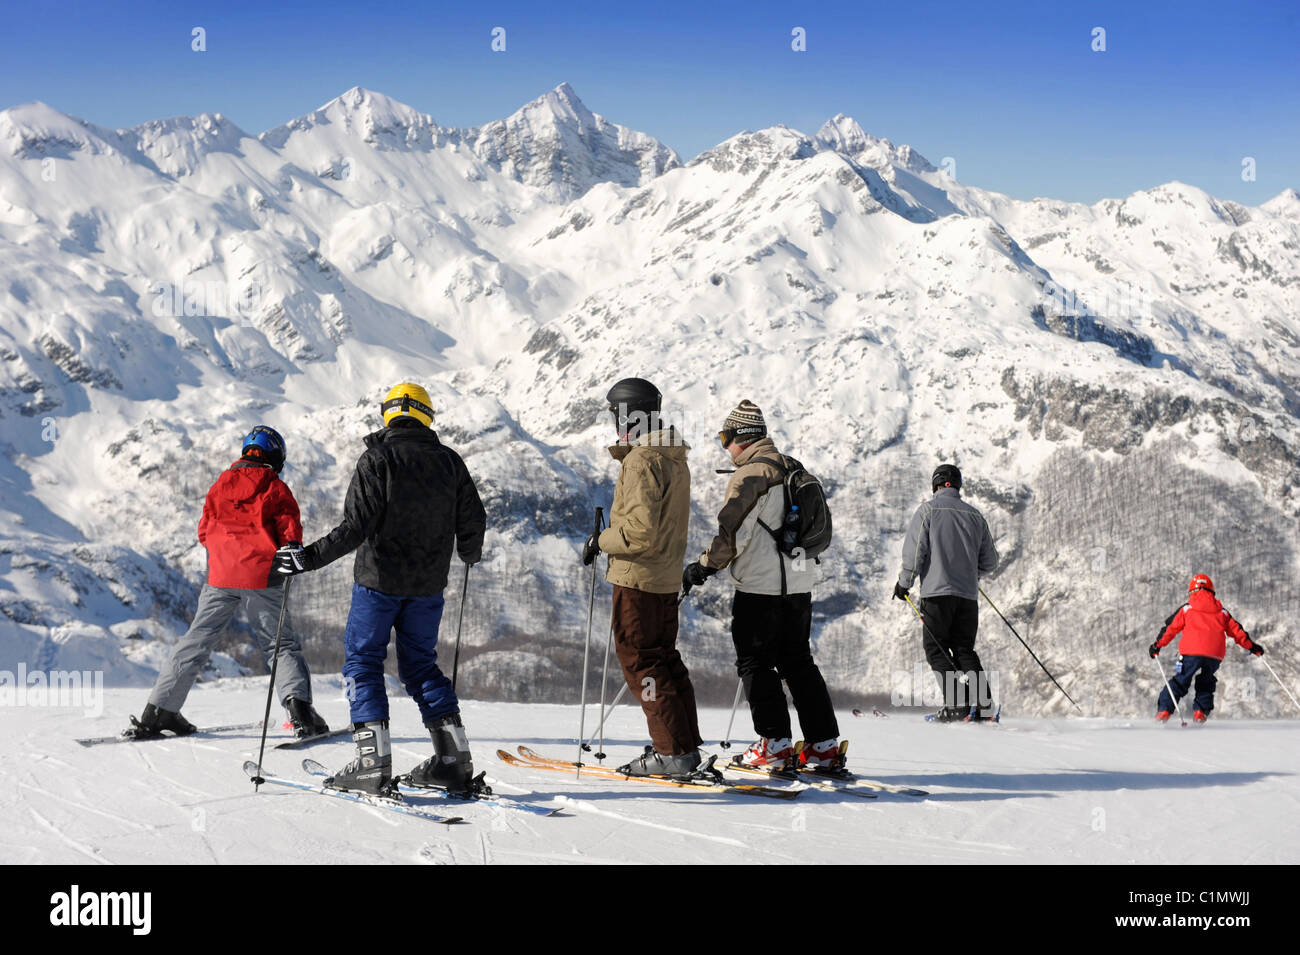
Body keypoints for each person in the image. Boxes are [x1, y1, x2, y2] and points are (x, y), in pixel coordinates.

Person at [274, 383, 486, 794]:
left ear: (388, 414)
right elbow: (473, 520)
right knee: (422, 667)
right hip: (427, 586)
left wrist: (306, 558)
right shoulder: (450, 463)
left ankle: (372, 765)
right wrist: (469, 553)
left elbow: (355, 528)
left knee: (363, 662)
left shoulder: (378, 459)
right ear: (427, 415)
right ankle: (453, 760)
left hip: (378, 583)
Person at [129, 426, 328, 739]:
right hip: (262, 577)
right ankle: (300, 711)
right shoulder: (275, 487)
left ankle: (158, 711)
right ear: (276, 456)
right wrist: (287, 550)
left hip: (220, 577)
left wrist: (225, 556)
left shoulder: (219, 484)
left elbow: (204, 532)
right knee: (280, 644)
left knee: (196, 640)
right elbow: (290, 532)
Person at [681, 400, 841, 770]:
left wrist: (703, 566)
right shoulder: (792, 468)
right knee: (799, 663)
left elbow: (732, 533)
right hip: (800, 585)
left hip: (760, 588)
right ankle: (823, 746)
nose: (725, 446)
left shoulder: (751, 475)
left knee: (755, 663)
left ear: (741, 437)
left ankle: (775, 745)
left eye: (725, 437)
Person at [582, 377, 701, 776]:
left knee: (642, 662)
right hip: (664, 578)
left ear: (625, 414)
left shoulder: (642, 460)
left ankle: (672, 753)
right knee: (665, 660)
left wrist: (601, 540)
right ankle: (683, 746)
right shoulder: (672, 457)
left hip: (638, 579)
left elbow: (637, 533)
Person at [894, 464, 998, 722]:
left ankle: (958, 707)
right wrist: (969, 573)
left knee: (937, 649)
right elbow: (991, 562)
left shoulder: (928, 511)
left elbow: (915, 552)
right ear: (958, 485)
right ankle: (984, 708)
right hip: (967, 596)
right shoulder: (976, 516)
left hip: (937, 594)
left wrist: (904, 583)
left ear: (935, 485)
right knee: (964, 649)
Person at [1149, 574, 1264, 723]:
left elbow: (1170, 629)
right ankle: (1200, 712)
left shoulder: (1187, 609)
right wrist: (1253, 647)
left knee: (1180, 680)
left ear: (1192, 591)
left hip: (1191, 652)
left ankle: (1164, 710)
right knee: (1206, 682)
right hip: (1214, 654)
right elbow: (1238, 632)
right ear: (1212, 591)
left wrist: (1157, 645)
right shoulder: (1222, 611)